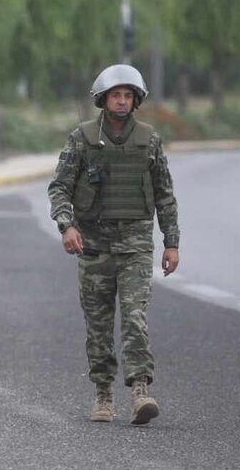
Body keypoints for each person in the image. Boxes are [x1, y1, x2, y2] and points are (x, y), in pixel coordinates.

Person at [47, 64, 179, 425]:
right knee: (99, 323)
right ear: (103, 100)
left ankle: (140, 390)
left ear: (135, 101)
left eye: (127, 96)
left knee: (135, 317)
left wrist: (172, 242)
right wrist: (67, 226)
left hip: (136, 242)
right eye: (115, 95)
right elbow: (59, 187)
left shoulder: (150, 140)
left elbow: (165, 193)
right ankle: (103, 393)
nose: (122, 102)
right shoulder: (82, 138)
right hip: (93, 243)